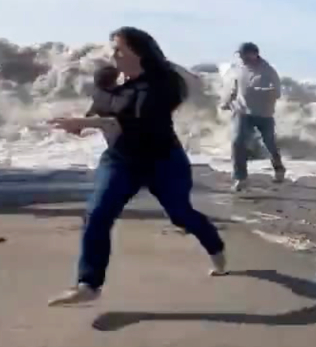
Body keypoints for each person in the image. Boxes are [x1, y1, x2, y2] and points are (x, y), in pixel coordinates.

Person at [47, 27, 227, 306]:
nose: (114, 55)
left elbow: (136, 121)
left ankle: (215, 246)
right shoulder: (113, 82)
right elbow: (102, 106)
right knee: (97, 213)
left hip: (163, 161)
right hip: (121, 160)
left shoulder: (162, 84)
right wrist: (80, 123)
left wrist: (88, 122)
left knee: (180, 215)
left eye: (120, 49)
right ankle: (88, 284)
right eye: (113, 49)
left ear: (139, 52)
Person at [221, 41, 285, 191]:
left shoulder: (268, 71)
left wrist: (262, 91)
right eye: (240, 55)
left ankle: (279, 168)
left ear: (254, 54)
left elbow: (277, 93)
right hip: (242, 112)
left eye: (244, 55)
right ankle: (241, 178)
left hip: (264, 113)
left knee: (269, 143)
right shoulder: (239, 68)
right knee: (237, 142)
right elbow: (236, 88)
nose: (242, 58)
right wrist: (228, 101)